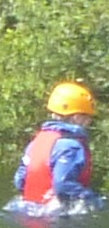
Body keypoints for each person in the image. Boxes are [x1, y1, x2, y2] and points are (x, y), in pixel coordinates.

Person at [13, 81, 103, 211]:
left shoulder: (36, 142)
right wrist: (95, 200)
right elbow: (62, 184)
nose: (89, 121)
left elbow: (20, 181)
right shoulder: (71, 146)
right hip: (57, 214)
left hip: (28, 210)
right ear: (77, 117)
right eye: (87, 116)